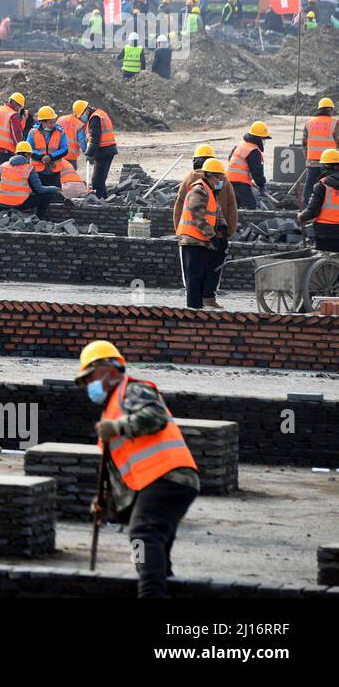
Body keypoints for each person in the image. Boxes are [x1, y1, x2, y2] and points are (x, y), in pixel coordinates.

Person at [75, 340, 200, 598]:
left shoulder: (132, 391)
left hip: (169, 476)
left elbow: (156, 417)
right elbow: (120, 473)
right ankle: (163, 585)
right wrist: (104, 502)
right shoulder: (110, 413)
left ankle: (151, 595)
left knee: (142, 534)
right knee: (154, 547)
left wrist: (119, 427)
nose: (88, 385)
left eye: (90, 377)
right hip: (160, 482)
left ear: (108, 370)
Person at [173, 144, 237, 309]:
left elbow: (216, 211)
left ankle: (199, 304)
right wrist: (222, 233)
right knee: (198, 275)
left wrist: (222, 228)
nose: (220, 181)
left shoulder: (206, 186)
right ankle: (196, 307)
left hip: (204, 237)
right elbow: (198, 213)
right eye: (218, 178)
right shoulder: (200, 188)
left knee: (198, 274)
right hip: (197, 237)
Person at [0, 140, 64, 220]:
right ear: (27, 155)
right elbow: (39, 190)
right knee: (46, 196)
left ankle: (5, 213)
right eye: (30, 155)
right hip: (19, 204)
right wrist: (55, 189)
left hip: (2, 204)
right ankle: (38, 219)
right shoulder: (29, 168)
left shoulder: (3, 166)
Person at [299, 149, 339, 252]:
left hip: (325, 231)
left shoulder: (322, 185)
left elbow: (313, 211)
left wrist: (301, 216)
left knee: (326, 262)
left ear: (325, 166)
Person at [0, 91, 26, 191]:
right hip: (5, 150)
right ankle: (2, 194)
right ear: (16, 104)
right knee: (5, 175)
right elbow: (17, 134)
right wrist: (21, 149)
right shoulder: (12, 115)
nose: (19, 109)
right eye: (19, 106)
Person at [224, 121, 270, 210]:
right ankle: (248, 223)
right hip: (240, 183)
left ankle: (236, 223)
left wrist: (248, 177)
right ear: (258, 138)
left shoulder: (241, 145)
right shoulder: (253, 151)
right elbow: (257, 170)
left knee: (235, 206)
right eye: (263, 138)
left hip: (229, 180)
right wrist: (261, 185)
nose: (264, 141)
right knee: (250, 206)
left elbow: (231, 159)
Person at [303, 98, 338, 205]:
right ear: (330, 109)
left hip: (312, 162)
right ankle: (327, 209)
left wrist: (308, 158)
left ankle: (308, 208)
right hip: (330, 163)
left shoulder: (309, 123)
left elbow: (304, 143)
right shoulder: (335, 123)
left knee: (310, 185)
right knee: (330, 186)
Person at [27, 106, 68, 189]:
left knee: (54, 195)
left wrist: (50, 157)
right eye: (51, 122)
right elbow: (28, 148)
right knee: (38, 195)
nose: (53, 124)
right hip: (37, 170)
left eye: (54, 122)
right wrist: (42, 157)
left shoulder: (61, 132)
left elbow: (65, 149)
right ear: (43, 122)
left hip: (54, 170)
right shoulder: (32, 132)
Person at [82, 101, 117, 198]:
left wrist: (89, 154)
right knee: (99, 180)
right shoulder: (97, 114)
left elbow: (95, 139)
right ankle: (104, 200)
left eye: (81, 115)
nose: (81, 118)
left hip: (105, 151)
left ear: (86, 110)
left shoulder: (95, 118)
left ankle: (100, 202)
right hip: (105, 150)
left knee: (97, 182)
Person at [58, 100, 88, 168]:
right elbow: (82, 142)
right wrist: (87, 153)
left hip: (57, 154)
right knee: (70, 176)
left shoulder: (61, 119)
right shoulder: (79, 124)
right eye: (85, 112)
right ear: (81, 113)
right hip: (70, 157)